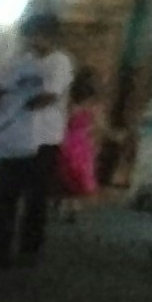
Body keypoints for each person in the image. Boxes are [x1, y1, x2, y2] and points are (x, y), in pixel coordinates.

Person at [0, 10, 74, 266]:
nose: (32, 42)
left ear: (50, 37)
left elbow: (49, 96)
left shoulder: (59, 62)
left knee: (35, 197)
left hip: (44, 139)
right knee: (4, 194)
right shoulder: (23, 61)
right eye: (29, 37)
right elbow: (2, 86)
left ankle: (30, 248)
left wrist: (19, 102)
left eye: (36, 37)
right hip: (15, 138)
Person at [53, 65, 104, 203]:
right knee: (80, 174)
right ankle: (72, 203)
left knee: (64, 172)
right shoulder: (94, 106)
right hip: (83, 142)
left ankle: (61, 200)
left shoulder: (71, 104)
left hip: (67, 140)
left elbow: (64, 120)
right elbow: (98, 125)